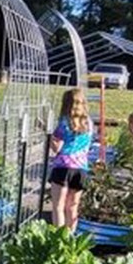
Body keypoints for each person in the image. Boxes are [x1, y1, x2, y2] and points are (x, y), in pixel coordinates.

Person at [48, 87, 95, 233]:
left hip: (63, 167)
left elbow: (57, 147)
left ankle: (59, 240)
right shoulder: (89, 123)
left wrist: (48, 134)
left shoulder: (64, 123)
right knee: (72, 208)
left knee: (58, 206)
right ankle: (70, 239)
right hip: (81, 170)